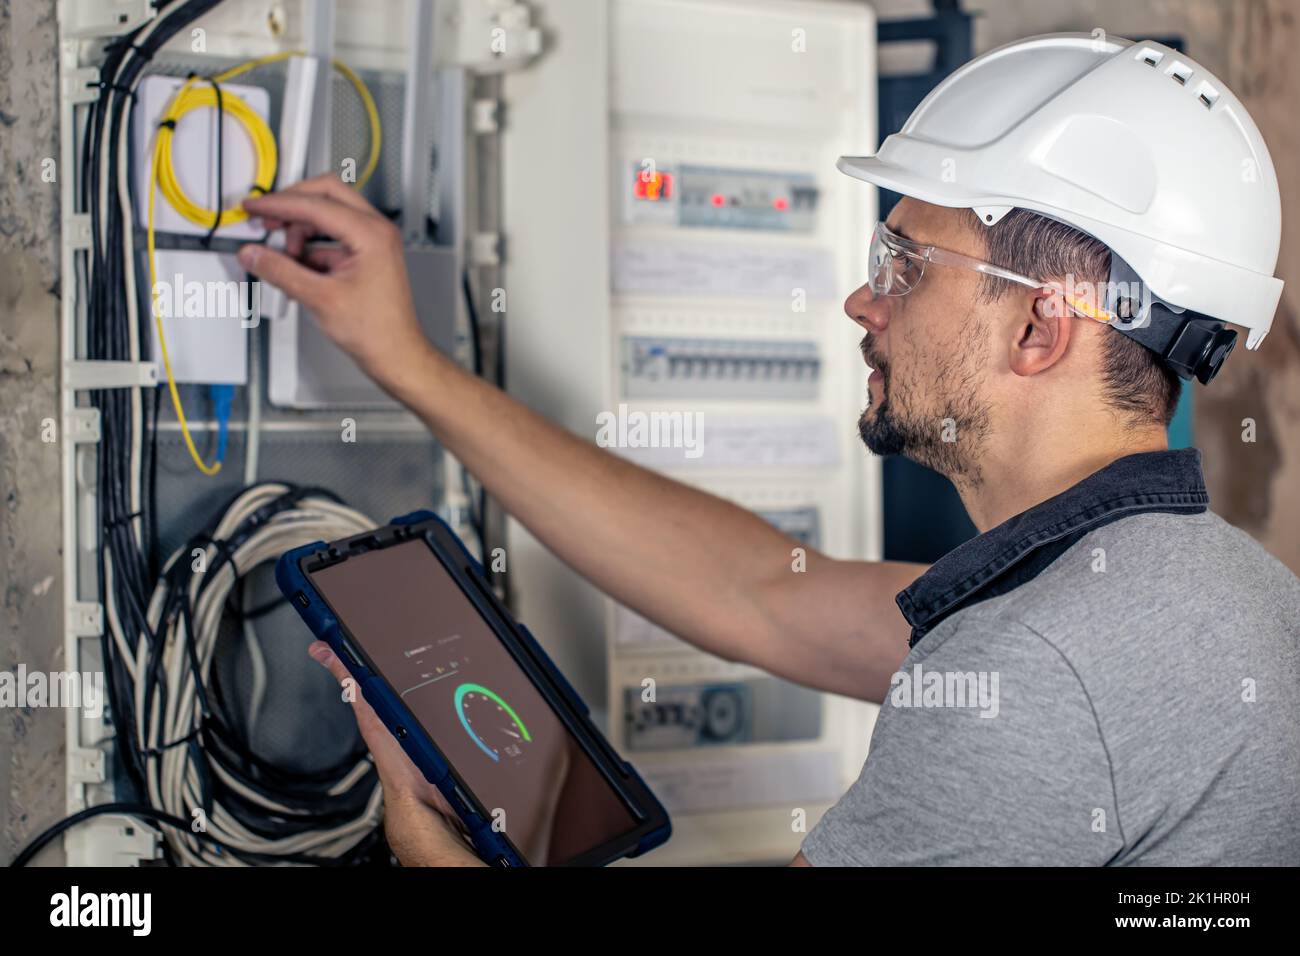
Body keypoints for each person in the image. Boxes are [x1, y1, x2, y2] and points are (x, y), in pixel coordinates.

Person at [237, 34, 1299, 866]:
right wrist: (409, 362)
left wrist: (429, 851)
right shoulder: (1208, 591)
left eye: (904, 263)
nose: (860, 299)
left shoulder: (1035, 670)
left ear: (1040, 329)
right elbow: (753, 593)